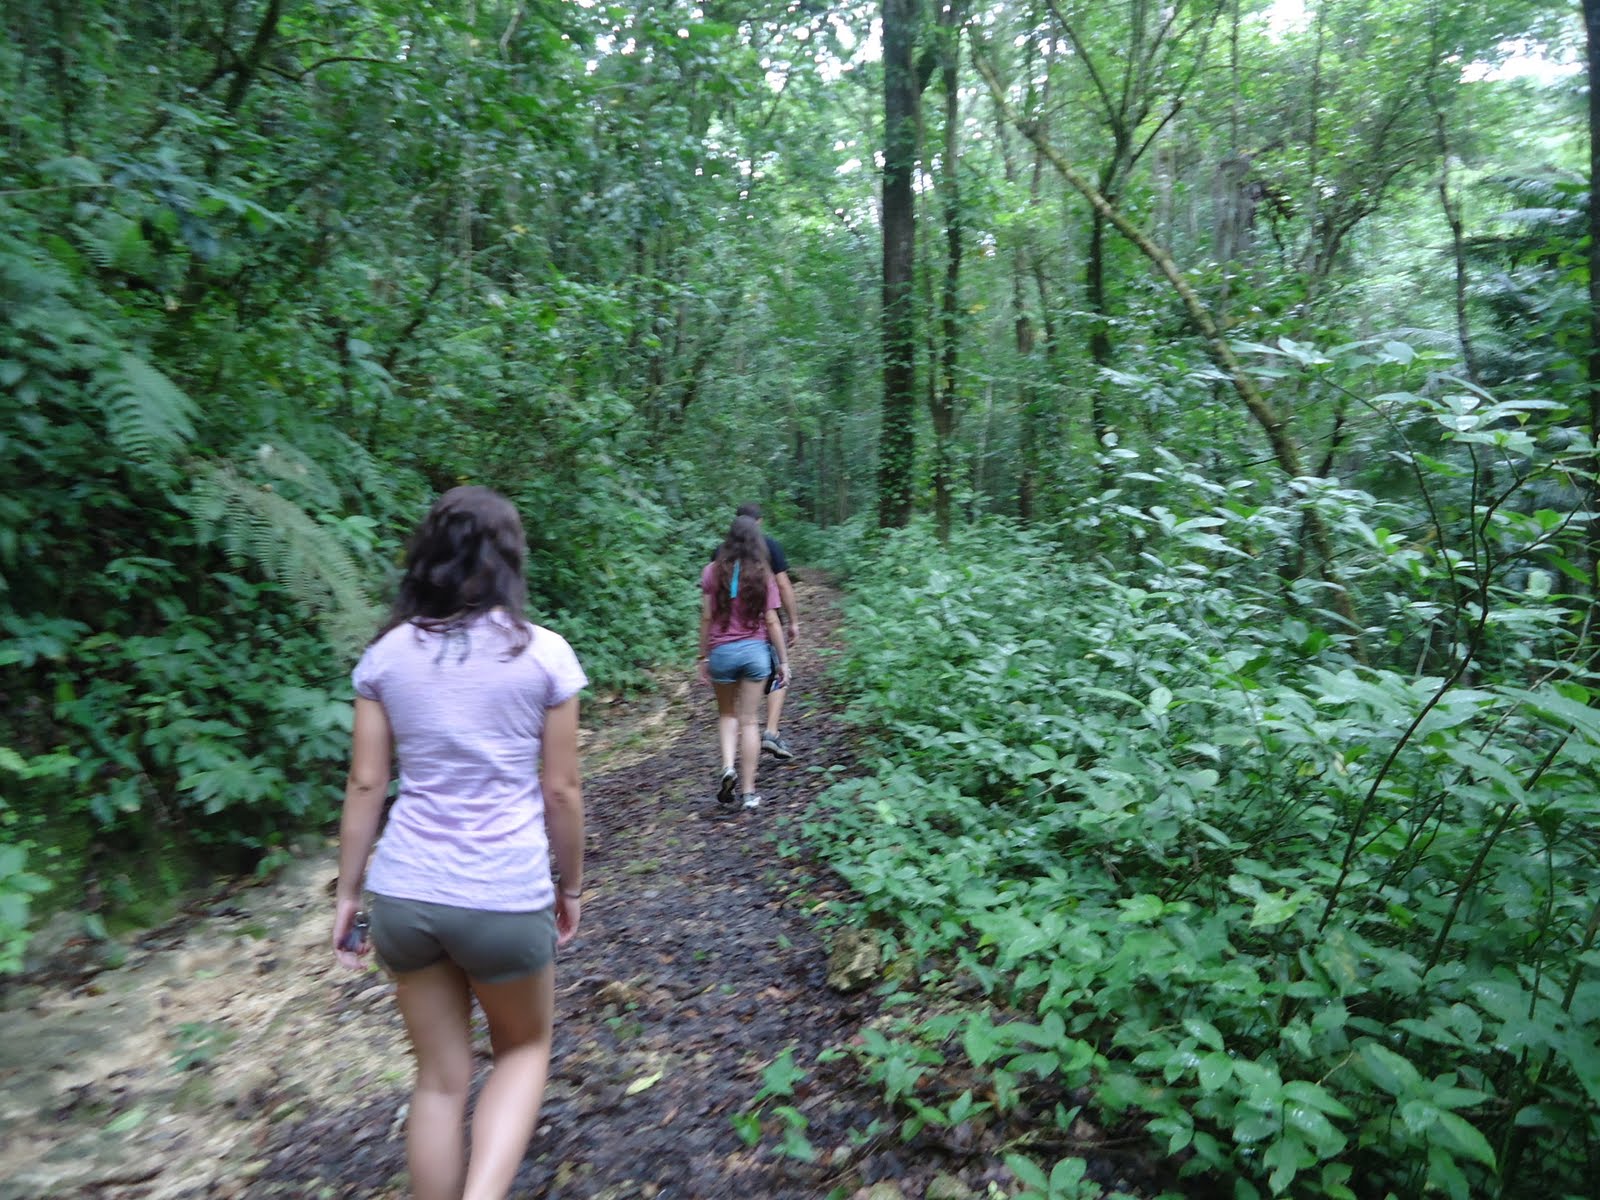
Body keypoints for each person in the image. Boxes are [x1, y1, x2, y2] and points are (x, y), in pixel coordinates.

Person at [332, 486, 587, 1200]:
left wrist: (348, 894)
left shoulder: (386, 656)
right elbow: (562, 791)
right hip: (503, 893)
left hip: (405, 894)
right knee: (523, 1049)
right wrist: (570, 885)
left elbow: (365, 784)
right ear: (510, 559)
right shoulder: (546, 655)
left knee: (440, 1081)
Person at [698, 514, 790, 811]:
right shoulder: (763, 573)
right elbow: (772, 621)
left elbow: (707, 617)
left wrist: (702, 656)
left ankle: (728, 767)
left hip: (722, 653)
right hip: (755, 654)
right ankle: (749, 793)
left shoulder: (711, 571)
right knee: (750, 720)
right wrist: (783, 661)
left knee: (727, 715)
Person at [732, 502, 801, 760]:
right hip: (762, 622)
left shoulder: (721, 551)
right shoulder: (769, 546)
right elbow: (783, 584)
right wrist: (793, 621)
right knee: (779, 674)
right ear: (759, 522)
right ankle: (770, 732)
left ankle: (734, 750)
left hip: (727, 630)